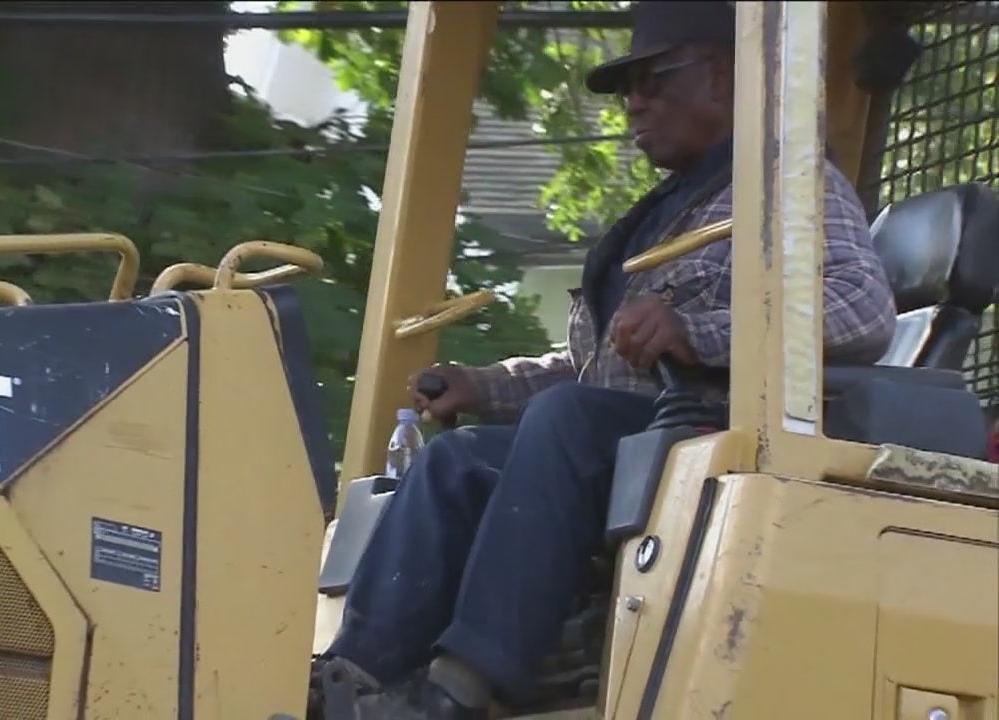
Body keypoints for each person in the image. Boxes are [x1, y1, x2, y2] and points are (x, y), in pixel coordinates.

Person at [313, 2, 898, 718]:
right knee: (458, 459)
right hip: (627, 435)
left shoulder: (788, 184)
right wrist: (485, 386)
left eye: (653, 79)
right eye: (627, 87)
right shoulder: (672, 209)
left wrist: (697, 330)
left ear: (722, 75)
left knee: (569, 419)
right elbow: (598, 366)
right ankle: (356, 679)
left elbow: (861, 306)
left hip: (726, 437)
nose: (633, 102)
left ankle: (463, 687)